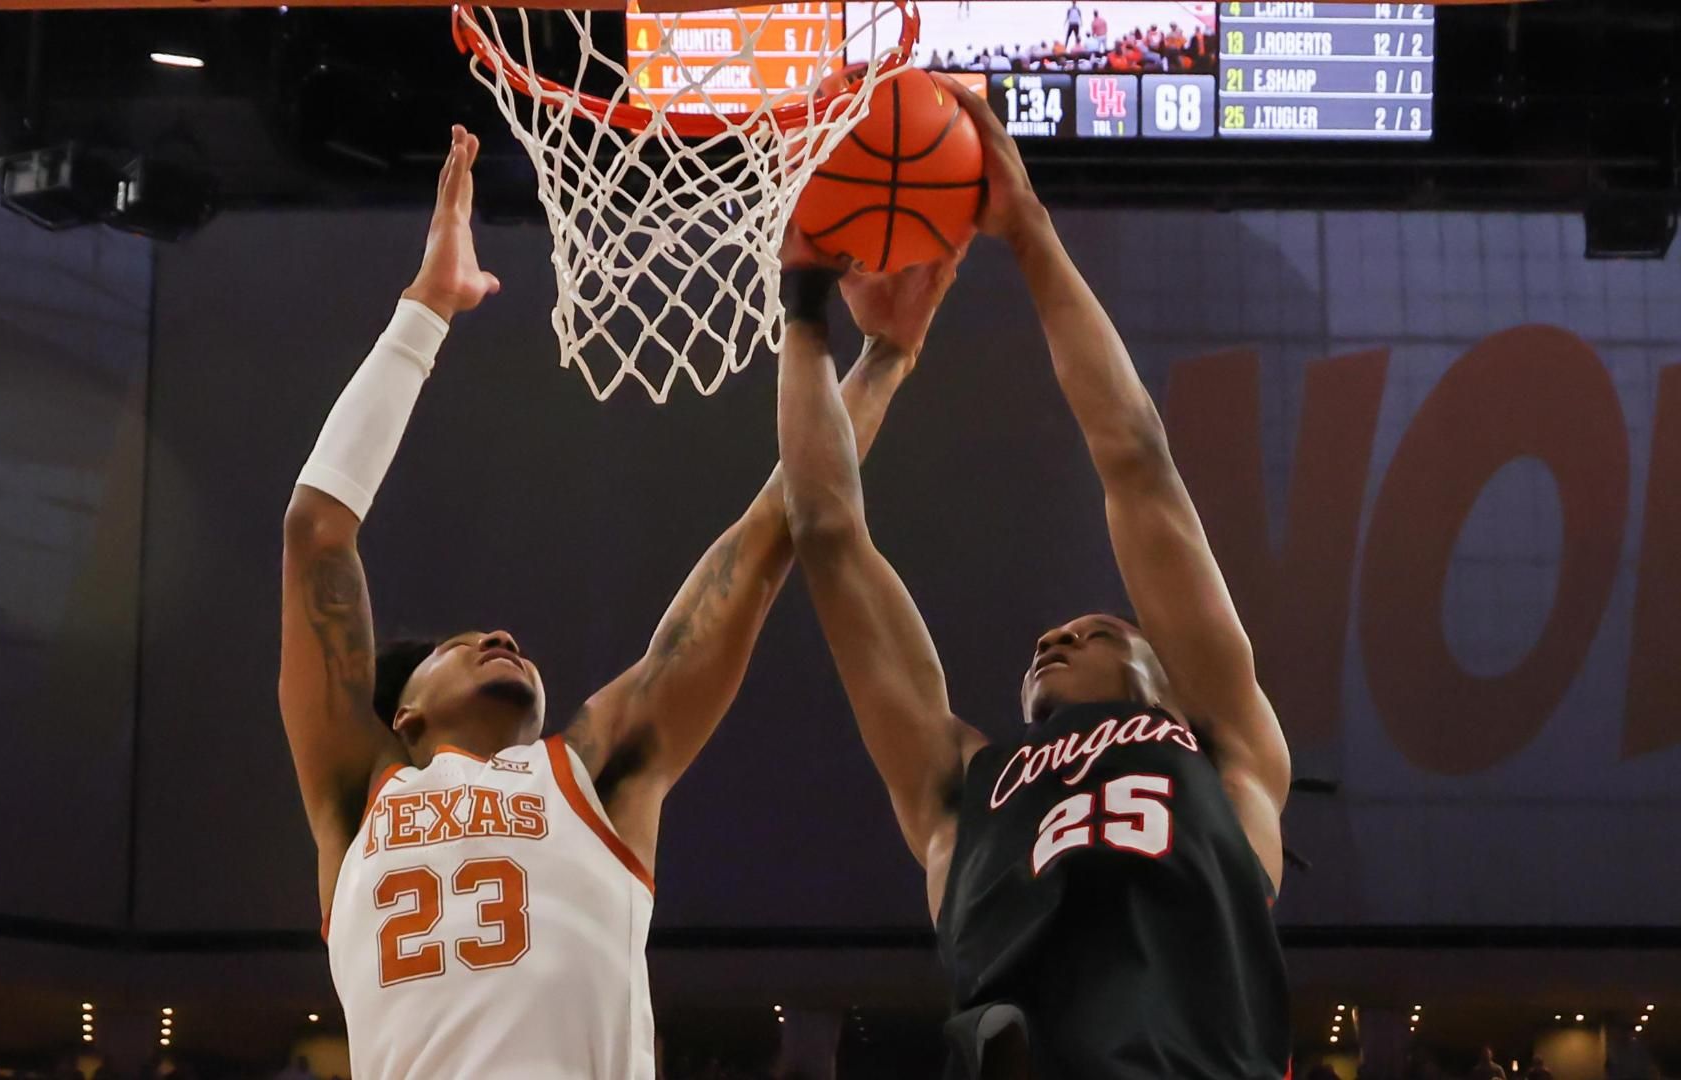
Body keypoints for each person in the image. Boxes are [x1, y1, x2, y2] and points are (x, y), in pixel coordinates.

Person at [280, 126, 922, 1079]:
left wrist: (883, 360)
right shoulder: (357, 799)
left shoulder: (592, 773)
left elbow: (764, 542)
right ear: (403, 711)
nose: (501, 635)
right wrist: (426, 309)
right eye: (462, 643)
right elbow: (316, 531)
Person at [775, 78, 1292, 1079]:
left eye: (1097, 627)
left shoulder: (1225, 744)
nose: (1054, 637)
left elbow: (1137, 459)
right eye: (1051, 642)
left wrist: (1028, 231)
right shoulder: (957, 791)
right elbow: (826, 533)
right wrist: (806, 305)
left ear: (1162, 664)